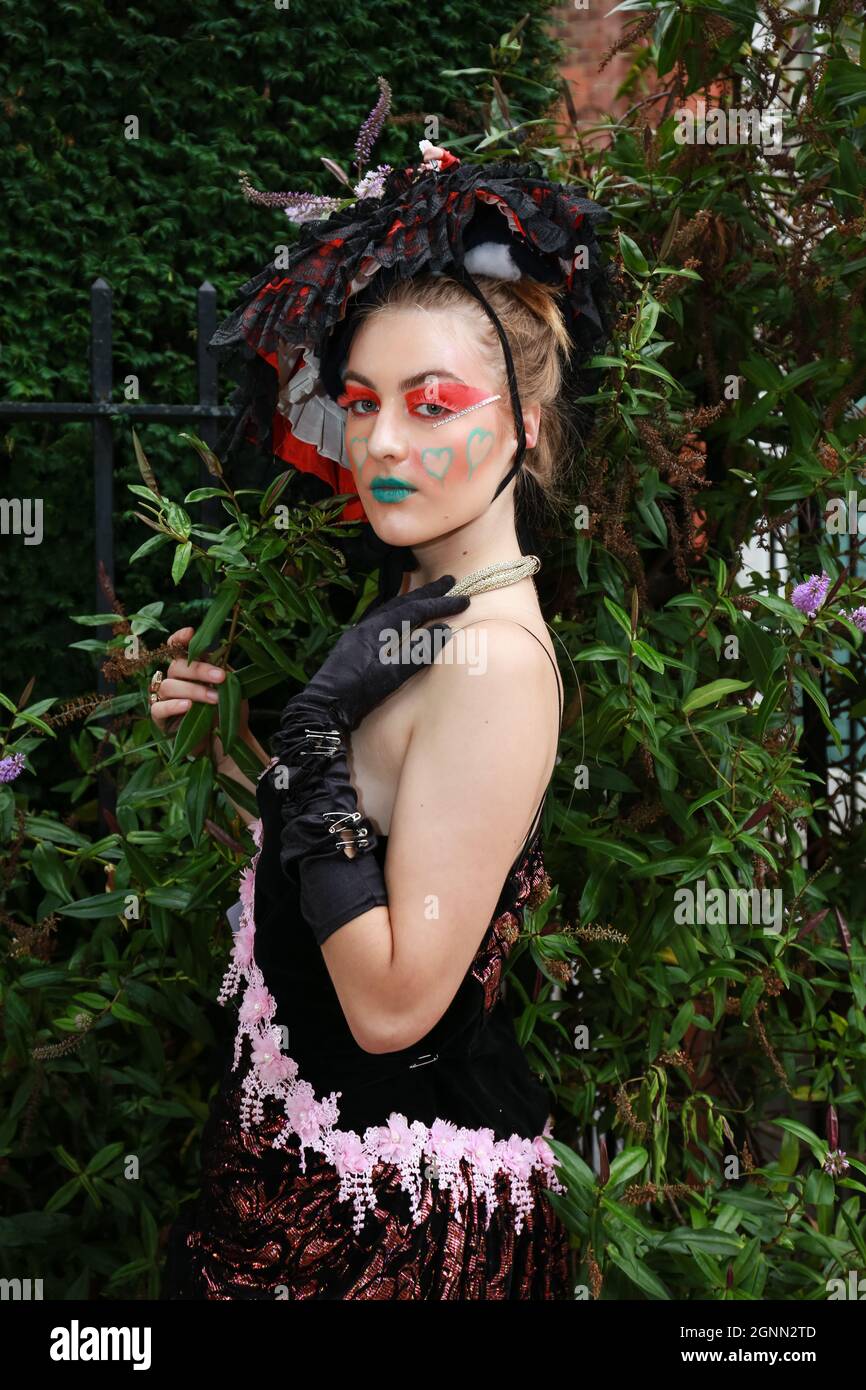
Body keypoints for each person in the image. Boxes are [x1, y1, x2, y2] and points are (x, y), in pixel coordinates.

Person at [157, 127, 609, 1299]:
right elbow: (339, 869)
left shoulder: (491, 666)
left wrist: (308, 737)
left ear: (517, 424)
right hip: (308, 1187)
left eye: (430, 401)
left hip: (389, 1243)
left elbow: (393, 1001)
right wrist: (233, 756)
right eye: (361, 403)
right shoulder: (420, 602)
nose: (383, 444)